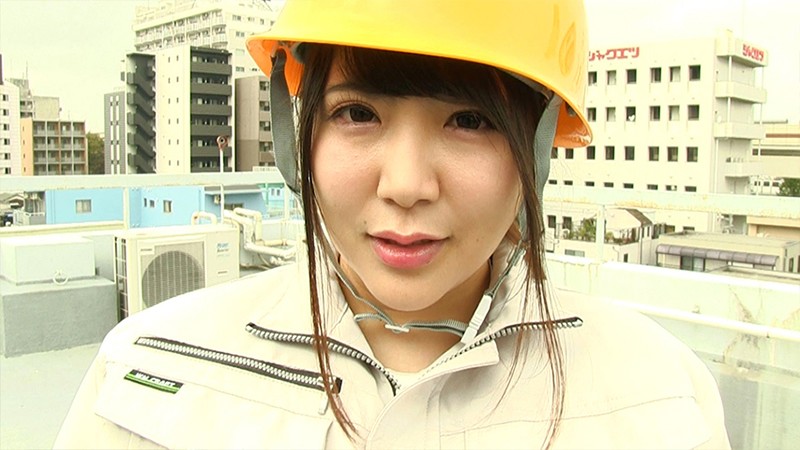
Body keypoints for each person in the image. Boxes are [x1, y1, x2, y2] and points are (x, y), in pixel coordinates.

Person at [55, 1, 730, 448]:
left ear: (537, 146)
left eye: (470, 120)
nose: (406, 185)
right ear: (297, 138)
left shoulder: (661, 393)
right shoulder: (150, 367)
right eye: (358, 113)